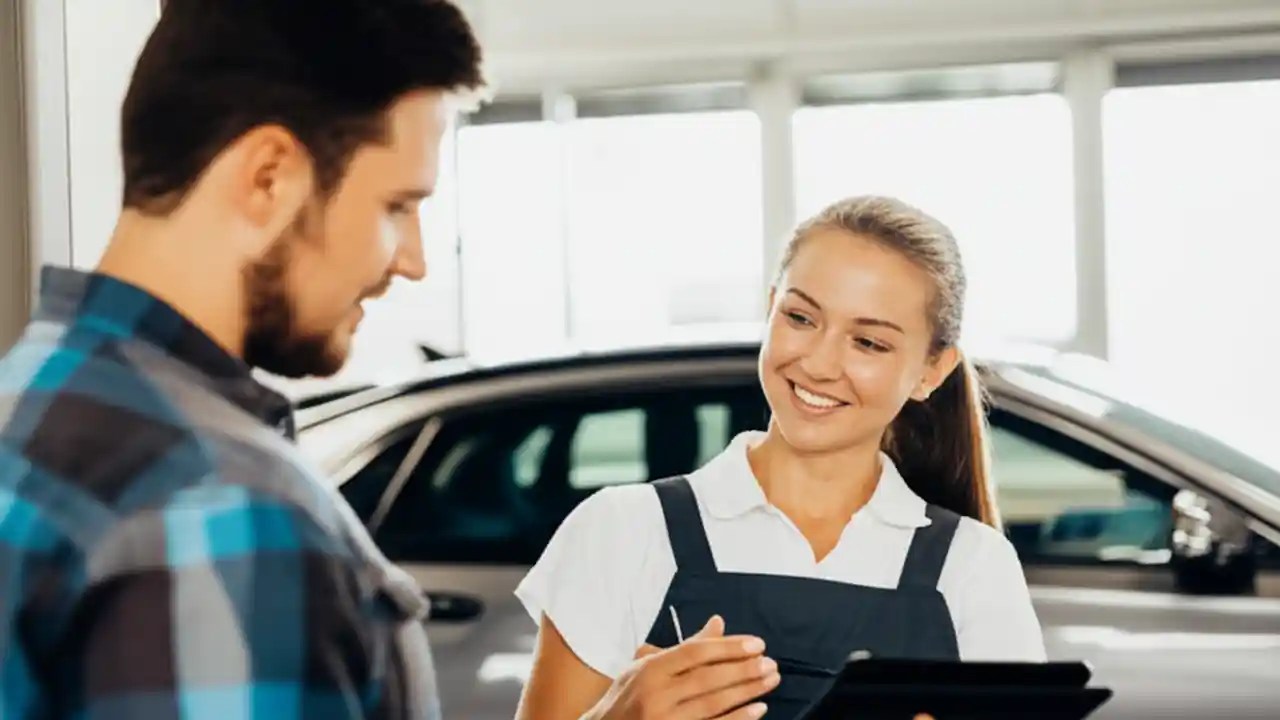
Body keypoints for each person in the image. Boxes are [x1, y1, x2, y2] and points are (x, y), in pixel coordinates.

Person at [0, 1, 484, 718]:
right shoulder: (221, 503)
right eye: (396, 206)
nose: (410, 260)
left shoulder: (28, 400)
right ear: (269, 178)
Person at [514, 196, 1047, 720]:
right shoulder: (621, 531)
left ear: (932, 371)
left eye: (868, 343)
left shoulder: (975, 568)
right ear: (771, 308)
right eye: (801, 317)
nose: (818, 363)